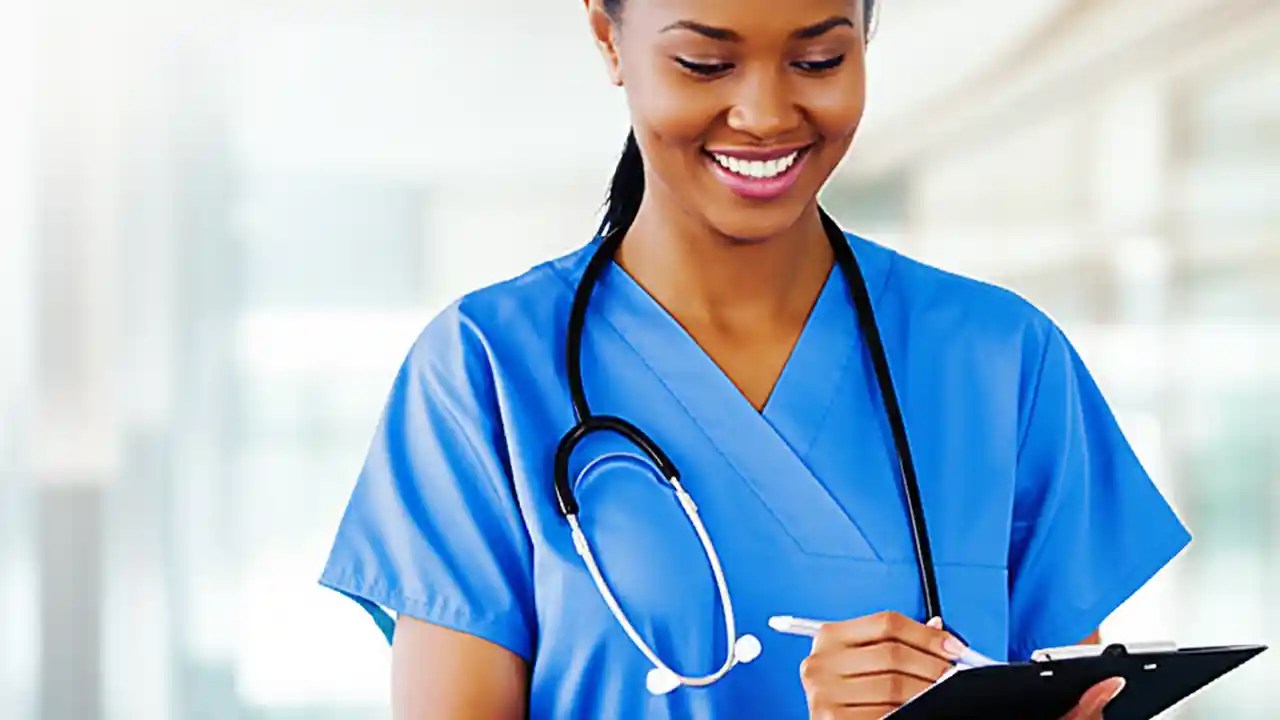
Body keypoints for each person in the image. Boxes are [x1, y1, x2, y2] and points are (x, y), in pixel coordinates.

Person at [319, 0, 1192, 717]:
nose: (768, 113)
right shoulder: (486, 370)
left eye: (818, 61)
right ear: (605, 34)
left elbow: (1070, 696)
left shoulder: (1001, 359)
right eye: (704, 64)